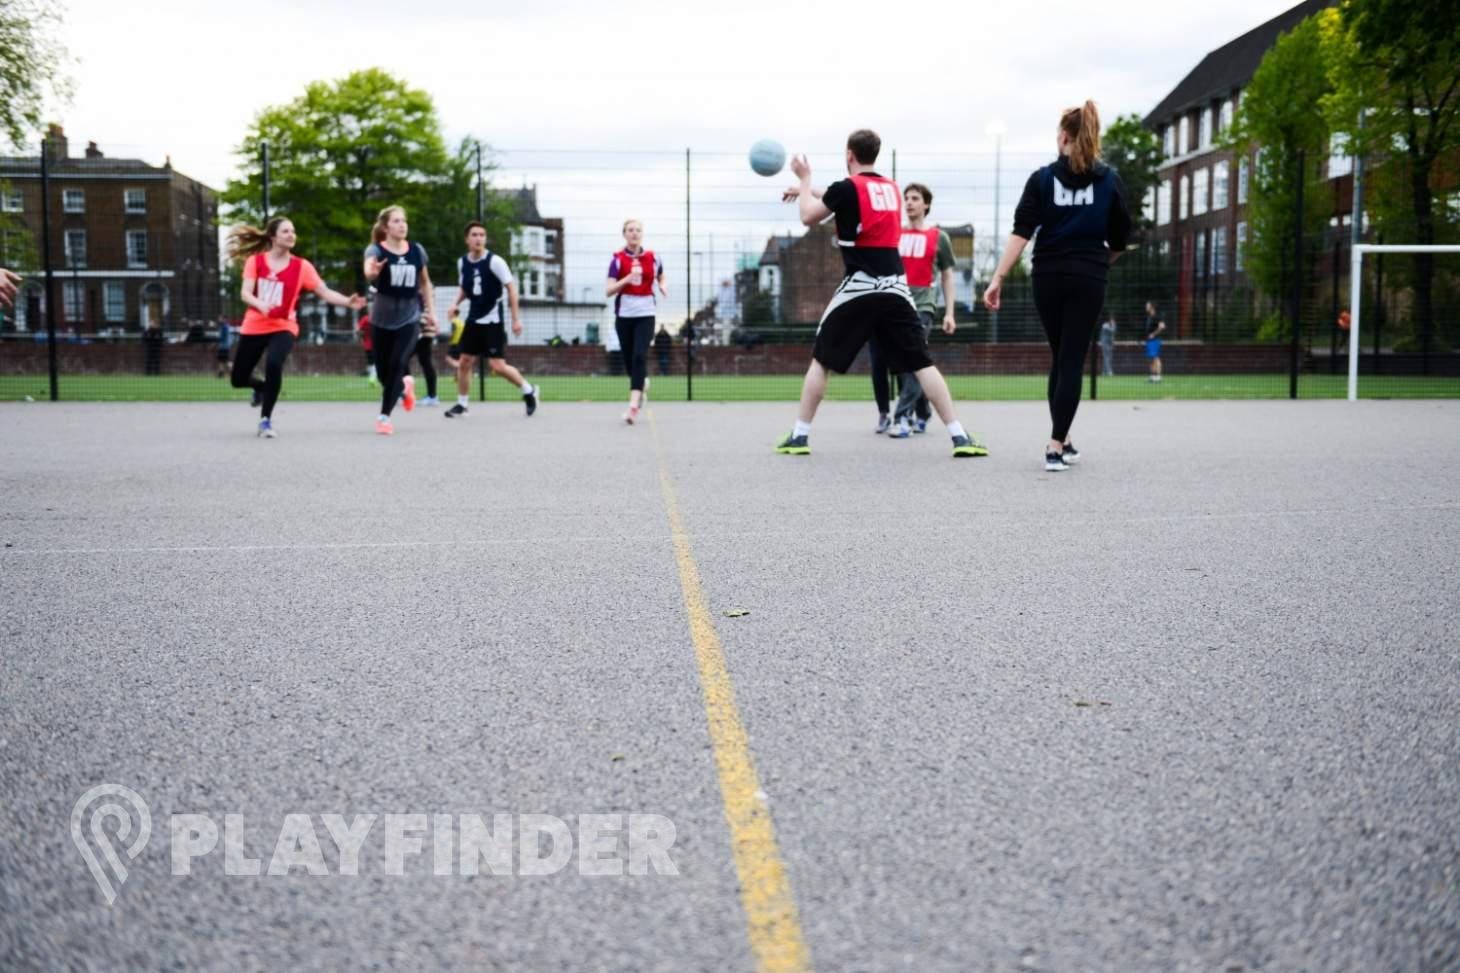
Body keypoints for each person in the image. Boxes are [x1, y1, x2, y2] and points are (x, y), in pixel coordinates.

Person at [775, 129, 987, 458]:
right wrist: (809, 190)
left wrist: (804, 180)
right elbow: (845, 197)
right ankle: (960, 436)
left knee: (821, 361)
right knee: (923, 363)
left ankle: (800, 437)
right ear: (875, 154)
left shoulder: (846, 188)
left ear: (849, 155)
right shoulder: (891, 190)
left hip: (859, 286)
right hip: (895, 288)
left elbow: (809, 216)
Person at [984, 101, 1132, 472]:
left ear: (1063, 136)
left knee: (1061, 356)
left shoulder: (1042, 179)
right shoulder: (1109, 181)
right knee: (1070, 359)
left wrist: (998, 278)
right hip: (1088, 276)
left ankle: (1062, 439)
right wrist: (1098, 262)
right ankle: (1055, 446)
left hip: (1047, 276)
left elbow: (1021, 232)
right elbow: (1119, 239)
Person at [228, 216, 366, 437]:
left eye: (293, 231)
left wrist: (347, 302)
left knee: (274, 364)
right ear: (273, 237)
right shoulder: (256, 261)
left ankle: (265, 420)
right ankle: (261, 388)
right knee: (238, 379)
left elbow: (324, 291)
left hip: (284, 326)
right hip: (255, 325)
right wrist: (260, 304)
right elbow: (245, 293)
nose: (291, 235)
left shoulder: (302, 267)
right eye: (285, 231)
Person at [442, 221, 537, 419]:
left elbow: (512, 289)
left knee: (497, 366)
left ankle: (528, 390)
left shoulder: (495, 262)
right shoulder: (462, 263)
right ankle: (462, 405)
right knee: (464, 362)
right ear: (467, 239)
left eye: (482, 235)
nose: (478, 238)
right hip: (473, 318)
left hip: (493, 320)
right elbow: (465, 288)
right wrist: (455, 304)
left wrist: (516, 319)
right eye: (474, 235)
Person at [888, 182, 959, 439]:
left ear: (926, 204)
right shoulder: (895, 233)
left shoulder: (939, 237)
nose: (909, 202)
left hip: (923, 306)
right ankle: (923, 412)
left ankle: (901, 417)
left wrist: (949, 313)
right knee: (903, 362)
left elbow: (947, 276)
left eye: (915, 198)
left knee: (914, 358)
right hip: (896, 305)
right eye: (906, 198)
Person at [363, 205, 436, 435]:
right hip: (381, 321)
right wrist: (373, 272)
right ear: (386, 227)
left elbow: (425, 282)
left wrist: (431, 312)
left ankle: (384, 417)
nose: (402, 225)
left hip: (409, 318)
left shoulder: (416, 251)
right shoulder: (375, 250)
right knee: (383, 373)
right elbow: (368, 270)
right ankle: (404, 389)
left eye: (404, 220)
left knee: (397, 363)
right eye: (396, 221)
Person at [605, 219, 667, 424]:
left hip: (646, 313)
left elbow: (661, 276)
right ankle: (641, 384)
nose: (634, 233)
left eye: (638, 230)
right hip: (624, 315)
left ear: (642, 234)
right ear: (624, 234)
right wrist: (627, 278)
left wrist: (663, 285)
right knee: (629, 360)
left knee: (639, 356)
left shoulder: (653, 257)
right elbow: (609, 290)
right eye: (630, 230)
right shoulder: (617, 260)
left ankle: (633, 406)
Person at [409, 296, 441, 406]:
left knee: (403, 359)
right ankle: (432, 396)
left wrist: (417, 327)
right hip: (423, 332)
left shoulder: (426, 291)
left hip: (423, 333)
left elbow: (427, 311)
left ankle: (431, 396)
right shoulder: (420, 291)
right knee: (425, 363)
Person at [1144, 301, 1167, 383]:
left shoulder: (1157, 316)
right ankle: (1153, 376)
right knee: (1151, 359)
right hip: (1149, 341)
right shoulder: (1149, 316)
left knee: (1156, 358)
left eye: (1147, 306)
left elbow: (1162, 327)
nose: (1146, 307)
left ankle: (1158, 377)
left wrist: (1153, 334)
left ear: (1152, 307)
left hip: (1154, 340)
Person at [1099, 311, 1116, 376]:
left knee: (1108, 357)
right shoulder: (1105, 325)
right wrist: (1114, 325)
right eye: (1112, 320)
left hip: (1110, 343)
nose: (1112, 321)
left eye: (1113, 320)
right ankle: (1109, 371)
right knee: (1106, 357)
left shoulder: (1112, 325)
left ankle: (1103, 372)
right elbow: (1112, 331)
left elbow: (1113, 335)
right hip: (1104, 343)